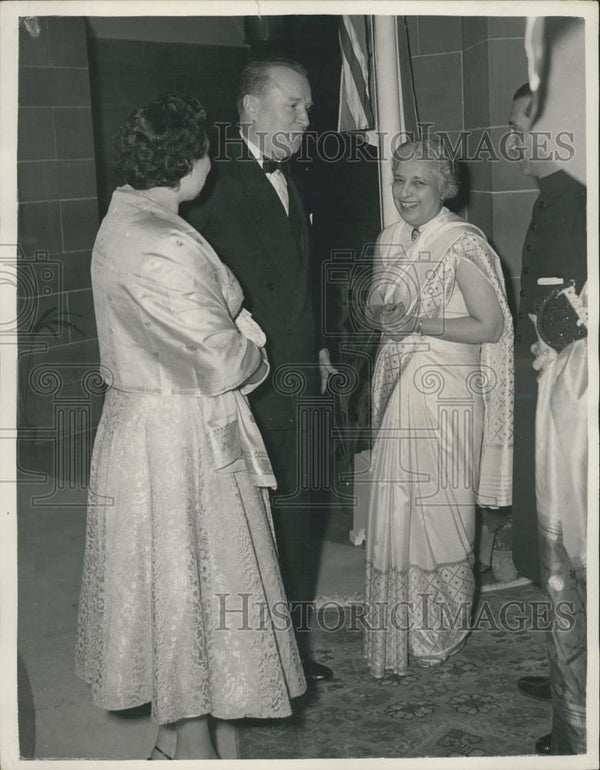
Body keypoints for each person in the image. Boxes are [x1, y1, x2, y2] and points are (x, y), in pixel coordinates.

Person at [75, 93, 306, 761]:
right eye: (206, 150)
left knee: (169, 585)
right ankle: (192, 745)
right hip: (178, 436)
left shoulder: (126, 216)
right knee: (195, 593)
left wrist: (232, 324)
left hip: (138, 422)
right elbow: (218, 358)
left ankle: (174, 738)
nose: (212, 161)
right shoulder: (165, 239)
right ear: (186, 162)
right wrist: (256, 349)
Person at [185, 60, 335, 682]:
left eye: (306, 107)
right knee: (254, 520)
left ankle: (293, 651)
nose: (306, 120)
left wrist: (320, 345)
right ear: (250, 108)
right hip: (252, 383)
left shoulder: (292, 181)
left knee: (303, 511)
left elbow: (303, 278)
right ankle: (251, 657)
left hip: (301, 372)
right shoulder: (210, 184)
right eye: (292, 106)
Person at [363, 136, 513, 675]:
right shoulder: (388, 240)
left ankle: (440, 629)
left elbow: (489, 325)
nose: (405, 191)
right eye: (398, 179)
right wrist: (385, 314)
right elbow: (384, 308)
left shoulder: (463, 243)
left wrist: (417, 323)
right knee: (399, 508)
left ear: (444, 187)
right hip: (400, 387)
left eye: (418, 182)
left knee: (442, 511)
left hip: (448, 394)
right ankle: (400, 626)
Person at [508, 83, 587, 752]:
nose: (514, 141)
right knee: (547, 528)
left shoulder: (574, 199)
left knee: (565, 529)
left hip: (568, 387)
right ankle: (564, 668)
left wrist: (545, 340)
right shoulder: (556, 195)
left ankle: (578, 690)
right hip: (549, 381)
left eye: (523, 128)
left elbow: (565, 310)